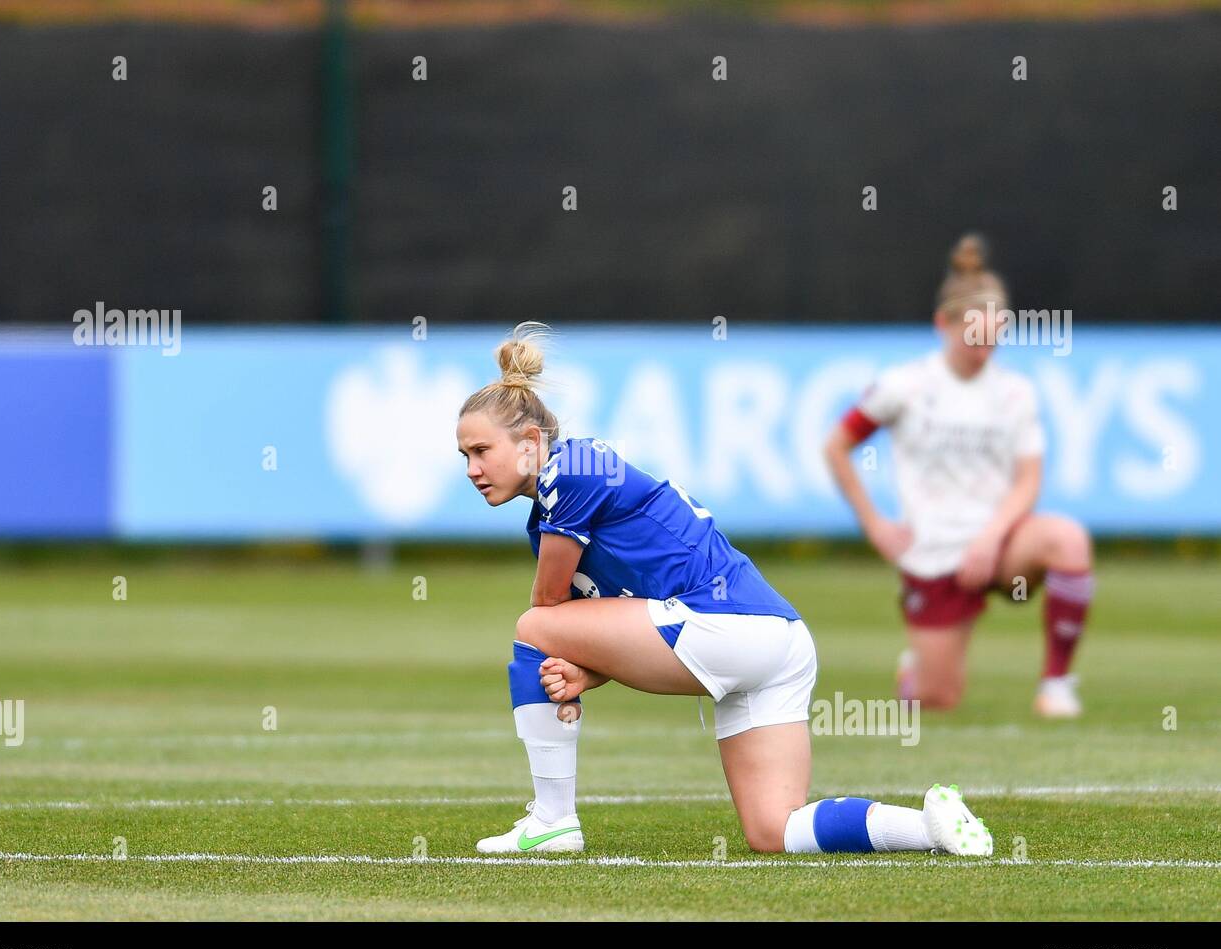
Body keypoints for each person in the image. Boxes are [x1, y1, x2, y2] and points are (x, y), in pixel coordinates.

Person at [455, 322, 993, 857]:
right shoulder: (561, 495)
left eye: (482, 450)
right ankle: (929, 827)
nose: (474, 469)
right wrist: (582, 669)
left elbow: (550, 614)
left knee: (533, 627)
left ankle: (552, 820)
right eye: (466, 457)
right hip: (778, 640)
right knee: (775, 831)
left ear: (529, 442)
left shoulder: (569, 469)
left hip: (721, 625)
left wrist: (578, 666)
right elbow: (607, 628)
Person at [824, 233, 1094, 717]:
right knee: (937, 700)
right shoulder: (904, 386)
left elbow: (1029, 479)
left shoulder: (1015, 392)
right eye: (974, 337)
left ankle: (1056, 684)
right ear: (943, 325)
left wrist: (991, 537)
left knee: (1068, 540)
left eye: (993, 338)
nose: (983, 349)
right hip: (936, 554)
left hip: (1000, 546)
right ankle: (917, 674)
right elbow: (837, 445)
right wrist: (875, 525)